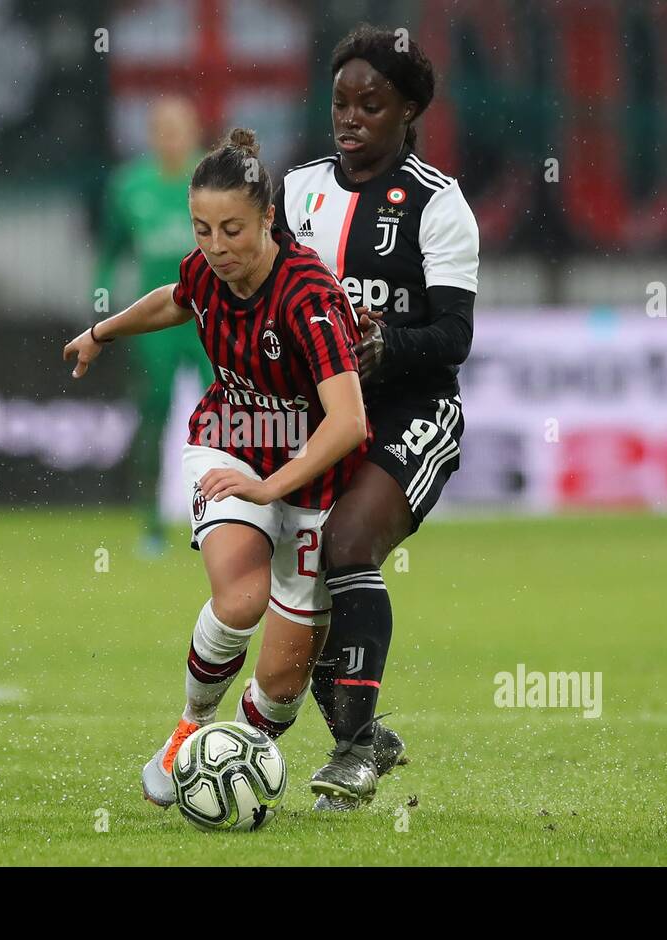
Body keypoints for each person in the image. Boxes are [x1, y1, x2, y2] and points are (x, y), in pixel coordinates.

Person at [64, 128, 371, 807]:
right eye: (202, 229)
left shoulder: (308, 296)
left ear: (267, 219)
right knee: (240, 599)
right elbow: (177, 297)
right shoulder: (207, 270)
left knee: (282, 687)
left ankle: (239, 756)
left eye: (232, 229)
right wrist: (101, 331)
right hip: (229, 441)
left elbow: (349, 422)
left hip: (312, 476)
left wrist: (271, 487)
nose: (216, 246)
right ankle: (191, 728)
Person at [272, 25, 480, 808]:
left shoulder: (438, 203)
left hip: (412, 411)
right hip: (321, 416)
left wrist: (387, 345)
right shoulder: (296, 192)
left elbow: (454, 335)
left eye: (371, 104)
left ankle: (354, 754)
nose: (350, 118)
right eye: (340, 103)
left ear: (409, 111)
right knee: (304, 581)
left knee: (348, 543)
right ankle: (364, 734)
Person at [94, 96, 212, 555]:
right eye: (162, 130)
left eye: (178, 129)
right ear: (150, 135)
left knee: (227, 414)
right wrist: (102, 298)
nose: (170, 139)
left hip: (209, 318)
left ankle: (229, 518)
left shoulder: (213, 179)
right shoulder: (130, 186)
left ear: (195, 132)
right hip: (156, 322)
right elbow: (111, 250)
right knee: (154, 410)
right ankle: (151, 523)